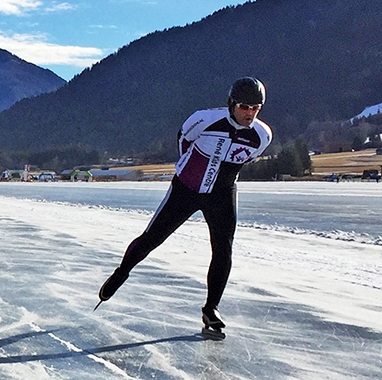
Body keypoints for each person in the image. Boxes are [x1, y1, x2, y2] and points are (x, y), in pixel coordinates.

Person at [95, 77, 273, 340]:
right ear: (232, 104)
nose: (250, 113)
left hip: (222, 193)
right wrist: (192, 171)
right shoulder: (203, 119)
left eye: (256, 108)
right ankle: (121, 273)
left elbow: (245, 159)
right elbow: (183, 141)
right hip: (186, 189)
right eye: (245, 107)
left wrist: (218, 177)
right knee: (153, 238)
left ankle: (211, 309)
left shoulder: (262, 135)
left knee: (223, 249)